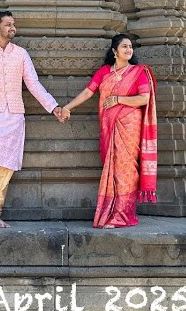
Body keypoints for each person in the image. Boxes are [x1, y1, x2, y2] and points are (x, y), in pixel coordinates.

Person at [0, 11, 69, 228]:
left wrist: (54, 107)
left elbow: (33, 84)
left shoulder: (21, 54)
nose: (13, 28)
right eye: (8, 25)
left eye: (14, 25)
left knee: (6, 165)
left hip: (14, 116)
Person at [62, 34, 158, 228]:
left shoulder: (139, 72)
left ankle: (123, 215)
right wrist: (67, 107)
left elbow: (143, 99)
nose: (129, 50)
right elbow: (89, 92)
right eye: (124, 47)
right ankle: (110, 213)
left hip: (129, 126)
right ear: (114, 51)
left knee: (126, 169)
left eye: (130, 47)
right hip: (108, 127)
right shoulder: (104, 72)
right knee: (112, 170)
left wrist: (118, 99)